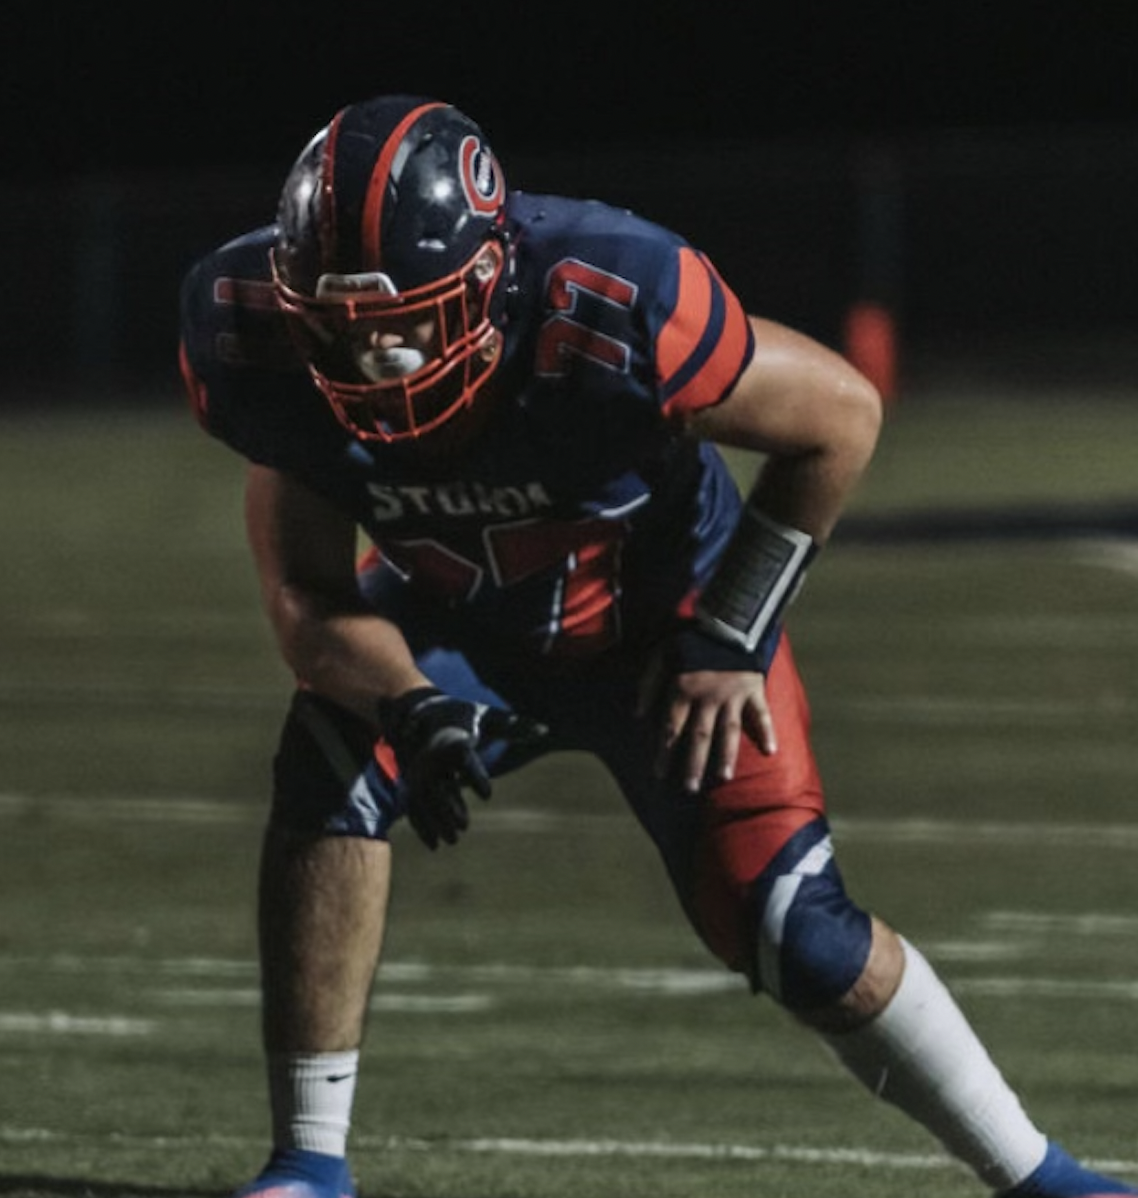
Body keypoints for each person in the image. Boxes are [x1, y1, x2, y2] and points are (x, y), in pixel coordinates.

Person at [177, 94, 1135, 1198]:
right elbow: (304, 593)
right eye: (335, 328)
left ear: (490, 285)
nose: (373, 360)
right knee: (330, 762)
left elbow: (839, 414)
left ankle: (1041, 1175)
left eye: (404, 321)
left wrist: (728, 633)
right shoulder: (248, 333)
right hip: (464, 625)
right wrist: (408, 701)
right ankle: (306, 1164)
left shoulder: (614, 296)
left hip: (661, 629)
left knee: (791, 928)